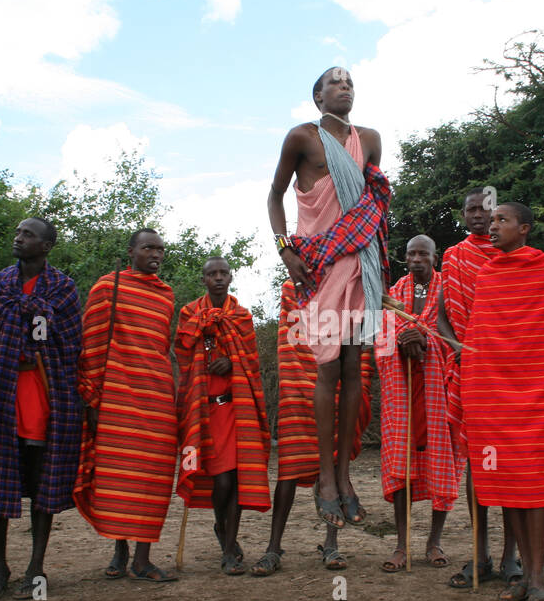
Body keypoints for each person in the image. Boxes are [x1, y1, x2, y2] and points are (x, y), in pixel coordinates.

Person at [268, 66, 388, 530]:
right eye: (335, 82)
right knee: (328, 368)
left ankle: (344, 477)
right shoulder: (301, 138)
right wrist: (286, 252)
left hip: (362, 264)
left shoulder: (371, 139)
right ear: (318, 96)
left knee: (357, 369)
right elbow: (274, 196)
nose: (345, 87)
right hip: (318, 266)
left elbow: (372, 202)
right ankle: (325, 480)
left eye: (351, 82)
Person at [462, 202, 544, 601]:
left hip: (540, 395)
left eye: (503, 220)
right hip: (496, 397)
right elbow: (482, 335)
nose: (494, 225)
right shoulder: (486, 275)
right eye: (493, 220)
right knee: (508, 486)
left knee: (535, 487)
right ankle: (523, 578)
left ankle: (536, 581)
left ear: (525, 229)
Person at [0, 217, 82, 601]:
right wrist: (17, 346)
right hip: (0, 397)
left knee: (41, 485)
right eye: (16, 232)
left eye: (27, 234)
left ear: (46, 246)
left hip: (46, 400)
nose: (18, 238)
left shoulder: (62, 288)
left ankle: (36, 568)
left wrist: (35, 345)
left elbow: (65, 341)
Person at [75, 229, 179, 582]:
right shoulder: (107, 288)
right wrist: (91, 396)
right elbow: (90, 343)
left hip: (158, 398)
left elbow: (162, 347)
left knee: (154, 476)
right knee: (118, 474)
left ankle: (143, 559)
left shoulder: (166, 296)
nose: (156, 254)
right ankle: (119, 549)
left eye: (160, 249)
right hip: (118, 396)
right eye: (148, 247)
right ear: (131, 251)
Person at [250, 280, 374, 576]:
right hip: (300, 378)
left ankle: (331, 545)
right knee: (290, 467)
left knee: (330, 461)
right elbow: (290, 339)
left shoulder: (350, 284)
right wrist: (299, 381)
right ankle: (273, 547)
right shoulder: (292, 286)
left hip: (336, 378)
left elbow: (358, 335)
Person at [438, 189, 518, 588]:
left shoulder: (516, 258)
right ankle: (479, 553)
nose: (479, 216)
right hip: (470, 370)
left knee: (514, 463)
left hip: (510, 374)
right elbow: (441, 316)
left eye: (487, 210)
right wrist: (459, 347)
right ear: (463, 215)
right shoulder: (453, 257)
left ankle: (511, 557)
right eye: (471, 209)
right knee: (476, 462)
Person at [175, 257, 270, 576]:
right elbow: (182, 351)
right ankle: (220, 525)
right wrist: (203, 329)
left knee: (237, 479)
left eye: (223, 273)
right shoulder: (190, 314)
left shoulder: (242, 316)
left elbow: (252, 363)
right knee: (221, 480)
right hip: (203, 410)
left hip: (236, 408)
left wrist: (231, 362)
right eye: (211, 274)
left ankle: (230, 548)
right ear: (203, 279)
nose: (218, 278)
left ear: (230, 278)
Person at [377, 235, 460, 571]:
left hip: (439, 390)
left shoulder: (448, 289)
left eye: (423, 253)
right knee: (402, 460)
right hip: (402, 389)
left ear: (434, 256)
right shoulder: (394, 293)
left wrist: (426, 338)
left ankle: (434, 542)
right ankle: (401, 544)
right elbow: (382, 338)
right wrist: (402, 338)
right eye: (411, 254)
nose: (416, 259)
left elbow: (456, 337)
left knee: (444, 459)